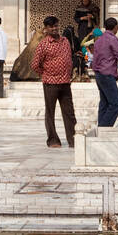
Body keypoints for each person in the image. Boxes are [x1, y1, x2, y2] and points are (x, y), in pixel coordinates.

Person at [33, 16, 76, 148]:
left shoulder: (65, 41)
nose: (54, 28)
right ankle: (53, 140)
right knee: (50, 112)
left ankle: (73, 139)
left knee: (69, 112)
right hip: (50, 83)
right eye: (51, 26)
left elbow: (68, 57)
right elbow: (35, 64)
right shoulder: (44, 44)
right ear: (46, 29)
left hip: (65, 82)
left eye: (56, 25)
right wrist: (46, 74)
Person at [90, 17, 118, 127]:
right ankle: (104, 127)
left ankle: (101, 128)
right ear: (116, 27)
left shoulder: (99, 39)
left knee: (104, 103)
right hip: (107, 73)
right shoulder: (112, 39)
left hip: (98, 74)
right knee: (115, 104)